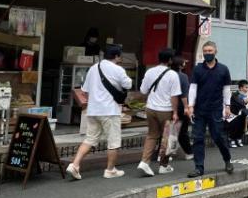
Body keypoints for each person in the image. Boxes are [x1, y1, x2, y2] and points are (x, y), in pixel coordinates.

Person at [66, 45, 132, 180]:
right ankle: (110, 170)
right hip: (109, 111)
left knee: (89, 139)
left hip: (93, 110)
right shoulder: (118, 69)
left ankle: (75, 165)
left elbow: (84, 90)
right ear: (117, 56)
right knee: (113, 142)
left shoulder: (93, 68)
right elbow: (128, 85)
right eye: (120, 56)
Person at [188, 41, 234, 177]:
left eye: (210, 51)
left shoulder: (223, 69)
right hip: (199, 110)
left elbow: (226, 89)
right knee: (198, 138)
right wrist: (190, 106)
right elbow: (193, 88)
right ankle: (199, 167)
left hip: (216, 109)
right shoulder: (197, 69)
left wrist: (227, 106)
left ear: (215, 51)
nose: (207, 53)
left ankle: (227, 160)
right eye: (205, 51)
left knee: (218, 137)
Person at [137, 48, 181, 176]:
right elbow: (174, 97)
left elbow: (143, 90)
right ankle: (164, 165)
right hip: (165, 109)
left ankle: (144, 162)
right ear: (170, 60)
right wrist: (175, 112)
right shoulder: (173, 75)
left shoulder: (150, 71)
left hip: (150, 108)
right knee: (169, 137)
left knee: (151, 135)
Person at [171, 55, 194, 161]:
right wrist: (186, 107)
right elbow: (184, 94)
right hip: (180, 106)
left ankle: (167, 154)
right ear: (180, 65)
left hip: (167, 106)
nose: (185, 63)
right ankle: (188, 152)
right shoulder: (183, 76)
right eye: (184, 62)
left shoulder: (167, 74)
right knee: (182, 131)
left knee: (171, 130)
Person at [227, 80, 248, 148]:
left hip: (239, 114)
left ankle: (238, 138)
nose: (247, 89)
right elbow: (240, 102)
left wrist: (245, 101)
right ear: (240, 88)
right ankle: (232, 139)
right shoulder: (235, 94)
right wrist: (244, 101)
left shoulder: (245, 94)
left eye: (247, 87)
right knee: (235, 121)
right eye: (245, 87)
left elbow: (245, 105)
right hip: (230, 114)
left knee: (242, 119)